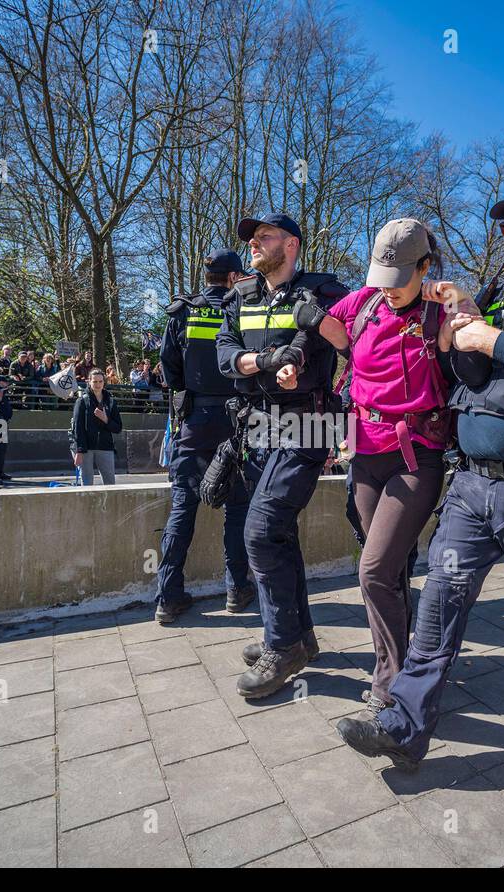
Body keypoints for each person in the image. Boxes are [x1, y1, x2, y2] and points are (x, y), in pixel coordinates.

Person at [333, 183, 504, 770]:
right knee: (437, 603)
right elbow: (468, 374)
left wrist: (488, 336)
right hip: (472, 484)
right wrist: (468, 325)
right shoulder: (490, 294)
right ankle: (404, 727)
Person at [299, 218, 454, 716]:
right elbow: (330, 330)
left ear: (425, 267)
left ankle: (391, 679)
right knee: (387, 568)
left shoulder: (440, 309)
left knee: (373, 569)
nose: (386, 291)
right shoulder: (365, 300)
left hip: (417, 455)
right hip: (365, 450)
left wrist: (460, 305)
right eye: (380, 277)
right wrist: (304, 331)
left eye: (398, 279)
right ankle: (406, 657)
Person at [214, 212, 349, 698]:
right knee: (278, 533)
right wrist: (265, 362)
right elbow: (225, 355)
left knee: (261, 529)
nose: (253, 243)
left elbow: (345, 341)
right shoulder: (243, 295)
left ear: (291, 245)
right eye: (249, 237)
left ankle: (283, 644)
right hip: (259, 426)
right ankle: (298, 637)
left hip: (307, 423)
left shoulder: (321, 291)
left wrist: (300, 354)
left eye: (263, 236)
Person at [154, 249, 253, 623]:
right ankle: (236, 588)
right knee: (237, 508)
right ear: (232, 278)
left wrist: (191, 396)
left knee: (183, 505)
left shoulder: (182, 310)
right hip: (235, 420)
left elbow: (169, 367)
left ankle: (168, 596)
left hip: (194, 420)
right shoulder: (241, 309)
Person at [71, 367, 123, 484]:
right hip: (86, 448)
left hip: (106, 446)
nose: (98, 384)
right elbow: (77, 428)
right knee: (87, 483)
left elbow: (118, 427)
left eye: (100, 381)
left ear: (104, 382)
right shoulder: (82, 401)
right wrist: (79, 451)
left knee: (110, 484)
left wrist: (106, 419)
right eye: (95, 381)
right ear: (89, 381)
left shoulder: (110, 401)